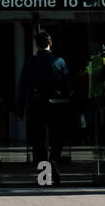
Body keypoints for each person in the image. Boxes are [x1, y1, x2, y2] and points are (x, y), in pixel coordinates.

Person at [17, 30, 71, 185]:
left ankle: (46, 175)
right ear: (50, 43)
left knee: (39, 141)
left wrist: (20, 109)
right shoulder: (59, 61)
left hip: (36, 105)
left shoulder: (30, 62)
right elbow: (67, 85)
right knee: (56, 138)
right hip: (56, 105)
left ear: (37, 45)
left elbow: (22, 86)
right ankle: (53, 160)